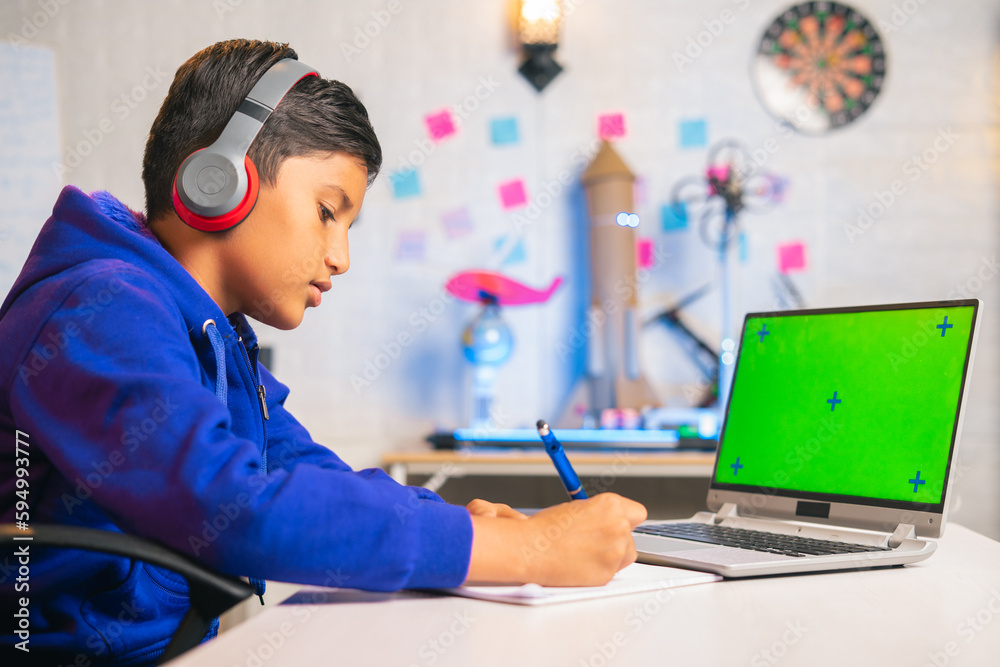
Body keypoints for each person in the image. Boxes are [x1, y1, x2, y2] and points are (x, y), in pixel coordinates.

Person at [0, 39, 646, 665]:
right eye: (327, 211)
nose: (340, 257)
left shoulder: (204, 329)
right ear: (218, 182)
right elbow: (236, 506)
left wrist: (467, 527)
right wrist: (527, 550)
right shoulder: (98, 308)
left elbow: (300, 468)